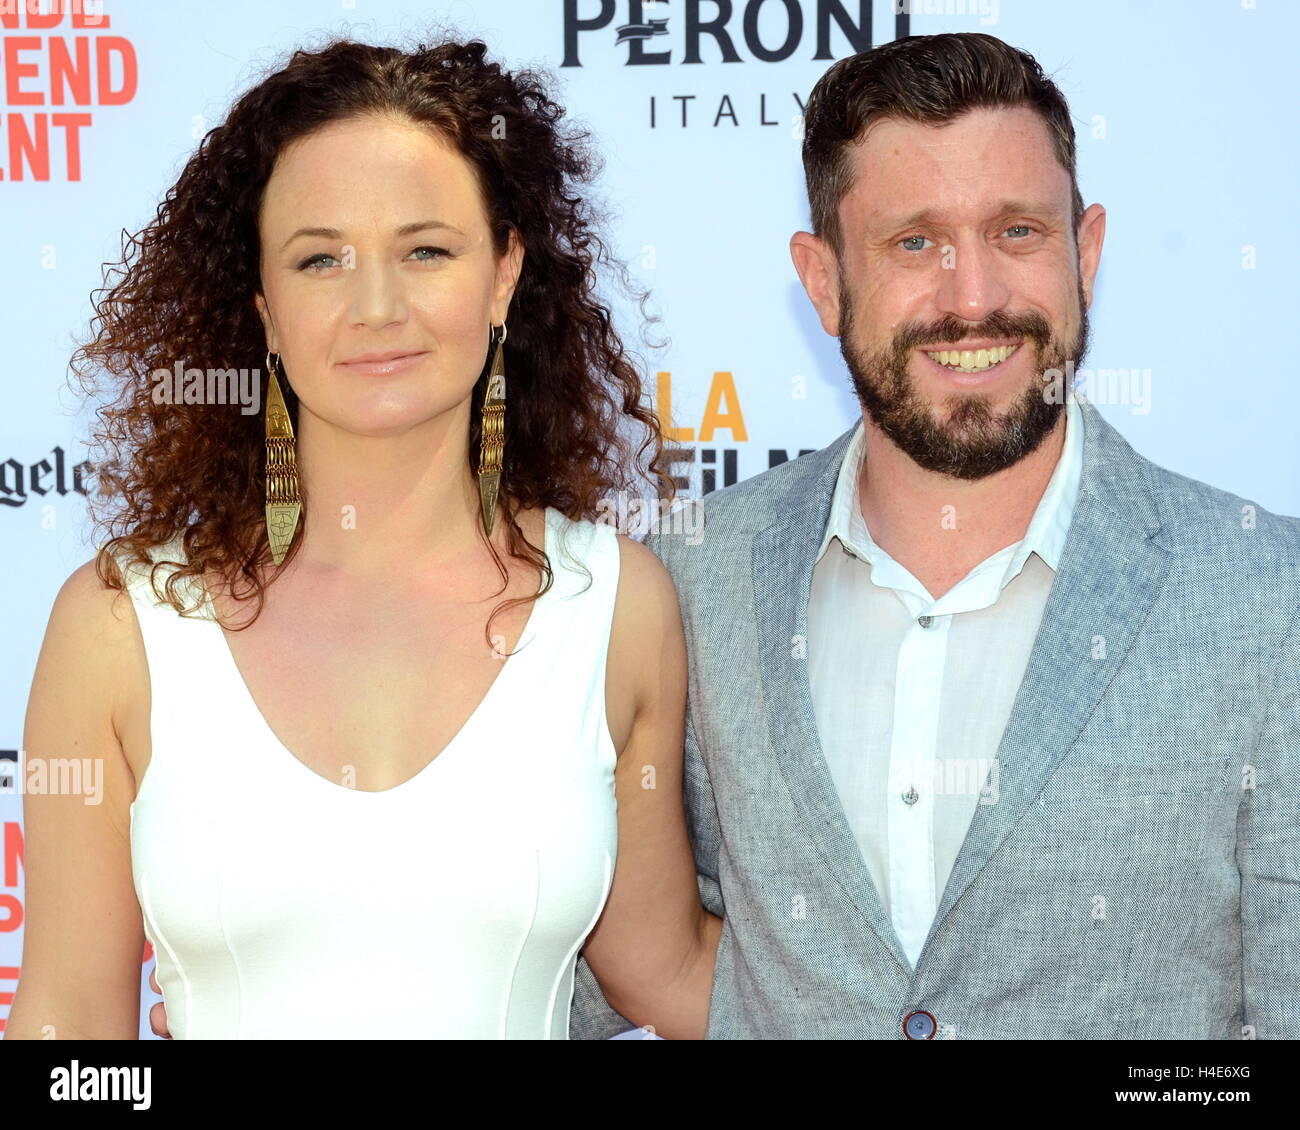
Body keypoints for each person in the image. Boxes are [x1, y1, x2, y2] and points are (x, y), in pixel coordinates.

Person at [566, 32, 1300, 1039]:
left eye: (1016, 232)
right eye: (914, 242)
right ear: (821, 281)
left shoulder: (1271, 597)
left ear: (1085, 252)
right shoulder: (690, 575)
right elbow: (551, 953)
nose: (971, 295)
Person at [10, 36, 720, 1040]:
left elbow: (668, 968)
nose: (376, 305)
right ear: (261, 305)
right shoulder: (123, 620)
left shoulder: (612, 605)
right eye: (320, 258)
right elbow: (66, 1039)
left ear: (505, 274)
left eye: (425, 249)